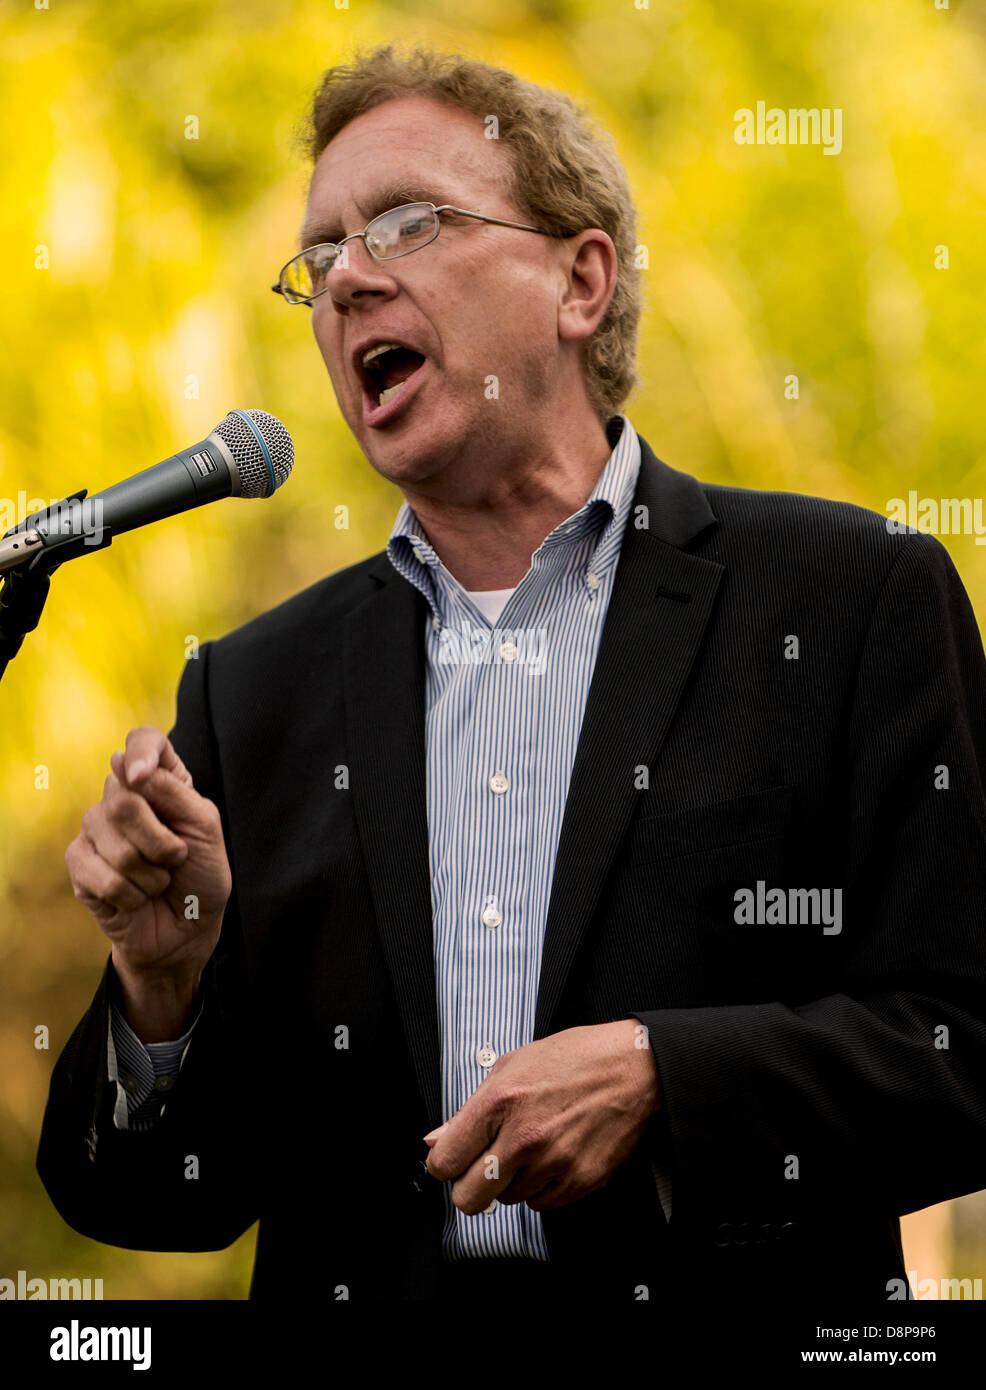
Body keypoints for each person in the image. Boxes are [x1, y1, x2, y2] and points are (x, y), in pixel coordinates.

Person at [37, 45, 986, 1305]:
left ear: (580, 281)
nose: (346, 282)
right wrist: (164, 990)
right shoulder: (254, 690)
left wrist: (663, 1075)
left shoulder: (847, 600)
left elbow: (964, 1051)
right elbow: (160, 1199)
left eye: (407, 223)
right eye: (316, 261)